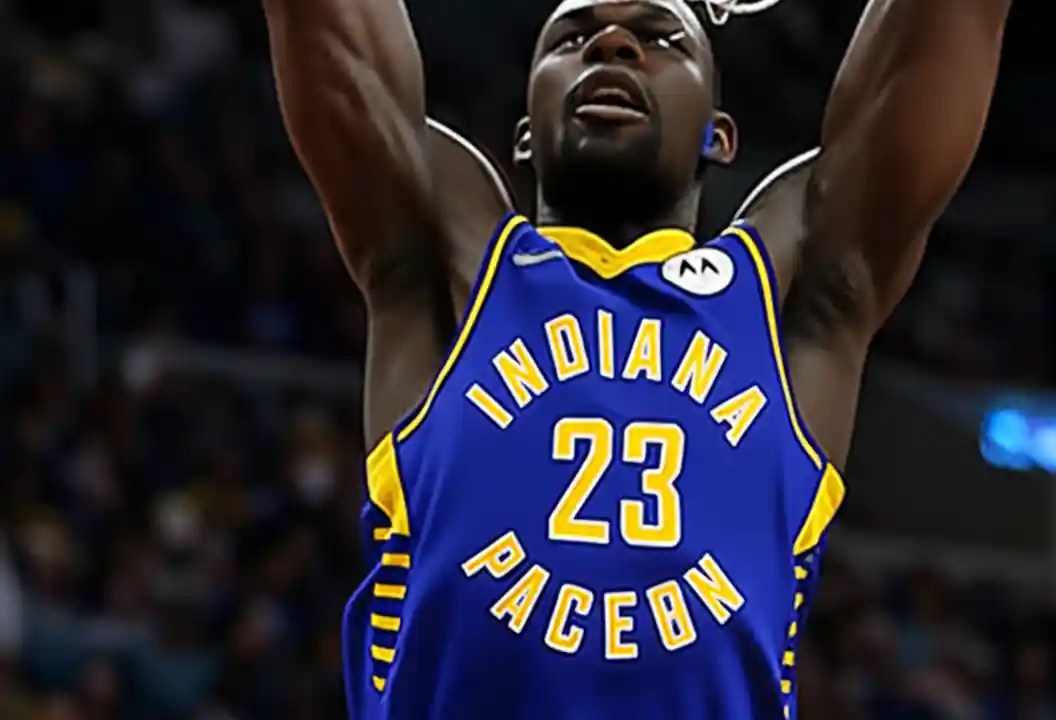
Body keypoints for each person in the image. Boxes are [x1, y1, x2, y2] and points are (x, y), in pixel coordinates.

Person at [262, 0, 1009, 716]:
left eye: (662, 39)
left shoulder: (792, 287)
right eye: (570, 38)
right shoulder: (446, 257)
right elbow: (326, 24)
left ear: (718, 136)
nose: (612, 46)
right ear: (525, 133)